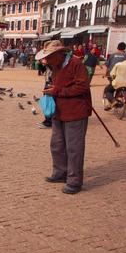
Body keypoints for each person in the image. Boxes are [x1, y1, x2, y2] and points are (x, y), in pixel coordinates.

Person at [36, 40, 92, 195]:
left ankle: (74, 181)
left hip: (75, 111)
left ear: (60, 54)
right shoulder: (55, 65)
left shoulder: (75, 64)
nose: (47, 60)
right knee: (57, 144)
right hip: (59, 111)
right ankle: (60, 172)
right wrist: (51, 90)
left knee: (74, 148)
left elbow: (82, 87)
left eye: (50, 56)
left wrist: (58, 91)